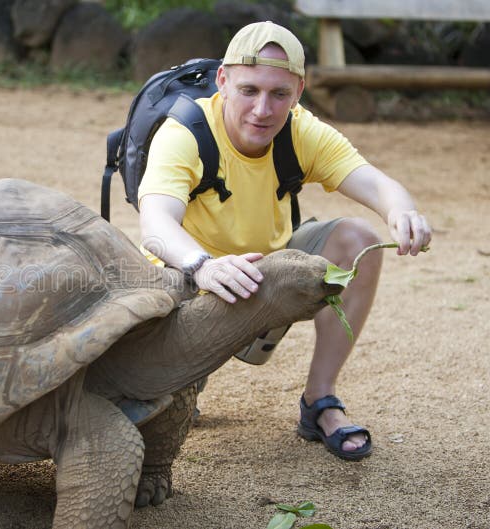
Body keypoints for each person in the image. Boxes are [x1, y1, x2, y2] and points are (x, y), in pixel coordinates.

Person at [137, 21, 431, 461]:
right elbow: (156, 225)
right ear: (223, 81)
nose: (262, 109)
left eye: (279, 94)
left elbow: (376, 183)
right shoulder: (185, 133)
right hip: (192, 286)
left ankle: (320, 400)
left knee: (358, 240)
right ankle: (182, 380)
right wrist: (204, 266)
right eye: (249, 90)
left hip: (267, 277)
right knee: (158, 412)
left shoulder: (300, 131)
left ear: (298, 92)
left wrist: (402, 211)